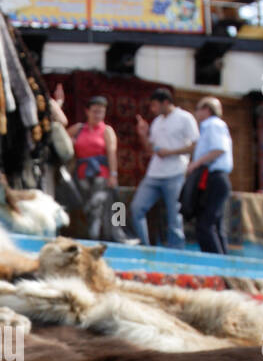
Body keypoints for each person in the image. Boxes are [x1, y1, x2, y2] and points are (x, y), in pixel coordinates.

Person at [130, 87, 198, 248]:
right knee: (137, 208)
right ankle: (144, 246)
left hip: (175, 173)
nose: (152, 109)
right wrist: (143, 134)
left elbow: (195, 145)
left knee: (174, 215)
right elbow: (151, 149)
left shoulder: (185, 118)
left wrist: (171, 152)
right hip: (154, 174)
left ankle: (176, 253)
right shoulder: (157, 122)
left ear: (166, 102)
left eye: (154, 105)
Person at [63, 90, 125, 242]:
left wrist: (113, 175)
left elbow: (111, 152)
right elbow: (62, 138)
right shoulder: (78, 129)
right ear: (87, 112)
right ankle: (89, 235)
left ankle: (94, 238)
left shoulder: (107, 131)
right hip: (81, 175)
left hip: (101, 175)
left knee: (96, 206)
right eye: (95, 111)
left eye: (101, 112)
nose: (98, 115)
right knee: (85, 207)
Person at [184, 96, 233, 254]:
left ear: (206, 110)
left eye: (198, 109)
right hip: (215, 177)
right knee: (216, 226)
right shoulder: (210, 127)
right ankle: (223, 264)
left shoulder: (213, 125)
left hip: (215, 177)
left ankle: (215, 264)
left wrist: (195, 164)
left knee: (205, 225)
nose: (196, 113)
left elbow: (219, 149)